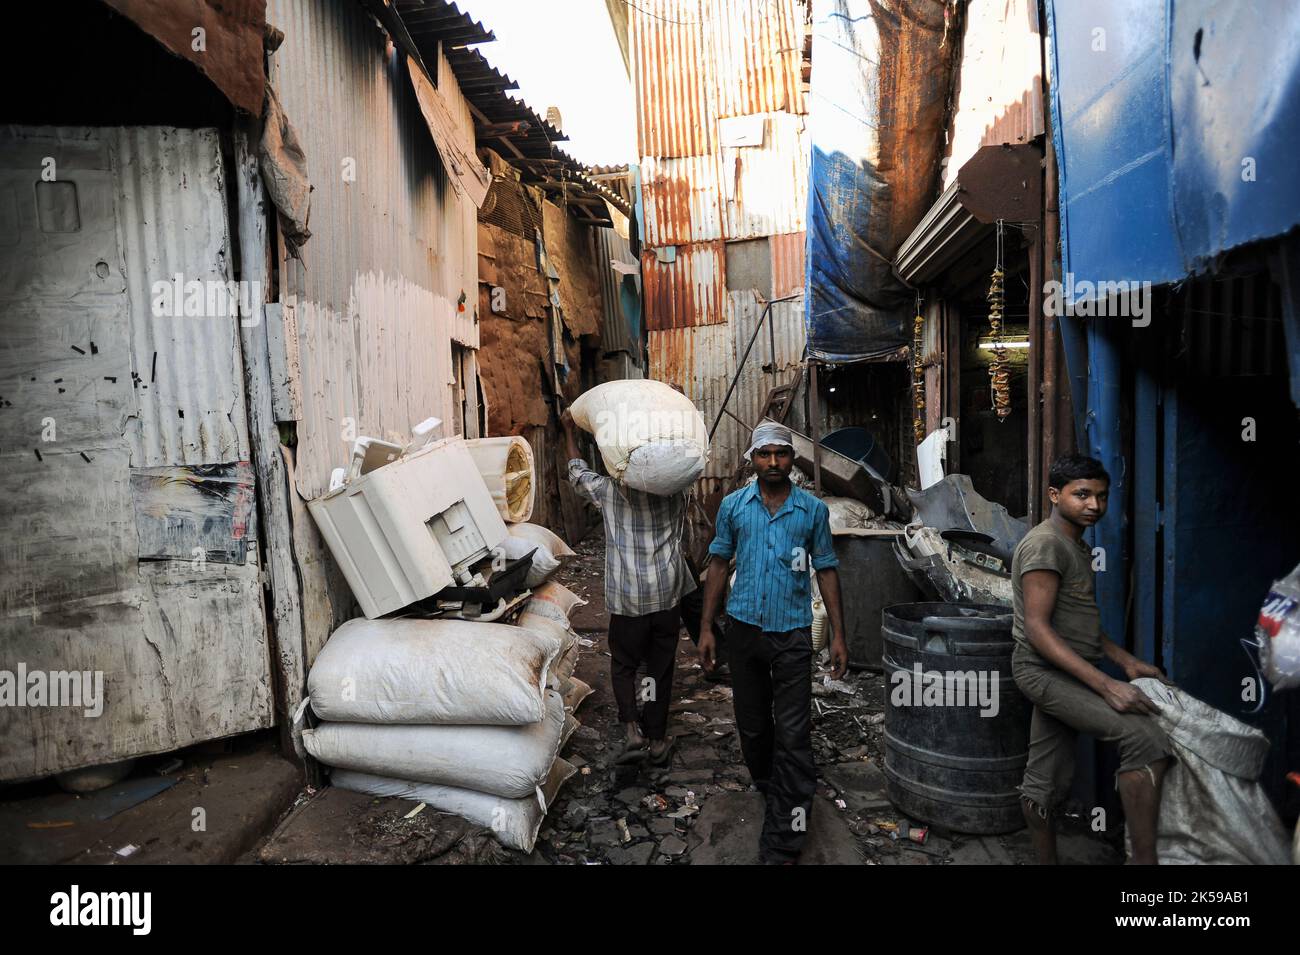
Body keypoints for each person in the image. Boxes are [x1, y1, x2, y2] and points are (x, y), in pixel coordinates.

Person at [1011, 453, 1172, 864]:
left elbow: (1078, 623)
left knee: (1043, 783)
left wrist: (1126, 662)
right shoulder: (1046, 544)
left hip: (1066, 672)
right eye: (1081, 495)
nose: (1094, 506)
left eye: (1101, 496)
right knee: (1145, 738)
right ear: (1054, 494)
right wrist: (1107, 685)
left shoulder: (1073, 544)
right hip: (1044, 672)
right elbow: (1039, 629)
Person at [698, 422, 847, 863]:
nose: (774, 462)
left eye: (782, 454)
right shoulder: (733, 507)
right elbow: (719, 563)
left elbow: (826, 569)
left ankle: (784, 836)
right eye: (765, 455)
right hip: (743, 632)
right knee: (754, 727)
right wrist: (708, 627)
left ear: (792, 458)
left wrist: (839, 634)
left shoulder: (811, 511)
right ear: (753, 459)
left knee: (795, 733)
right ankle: (769, 787)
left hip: (792, 635)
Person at [562, 409, 694, 767]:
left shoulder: (610, 492)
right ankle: (655, 739)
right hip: (666, 598)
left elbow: (576, 472)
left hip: (628, 601)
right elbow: (688, 458)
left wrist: (570, 431)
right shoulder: (677, 492)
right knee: (658, 669)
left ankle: (632, 728)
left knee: (624, 664)